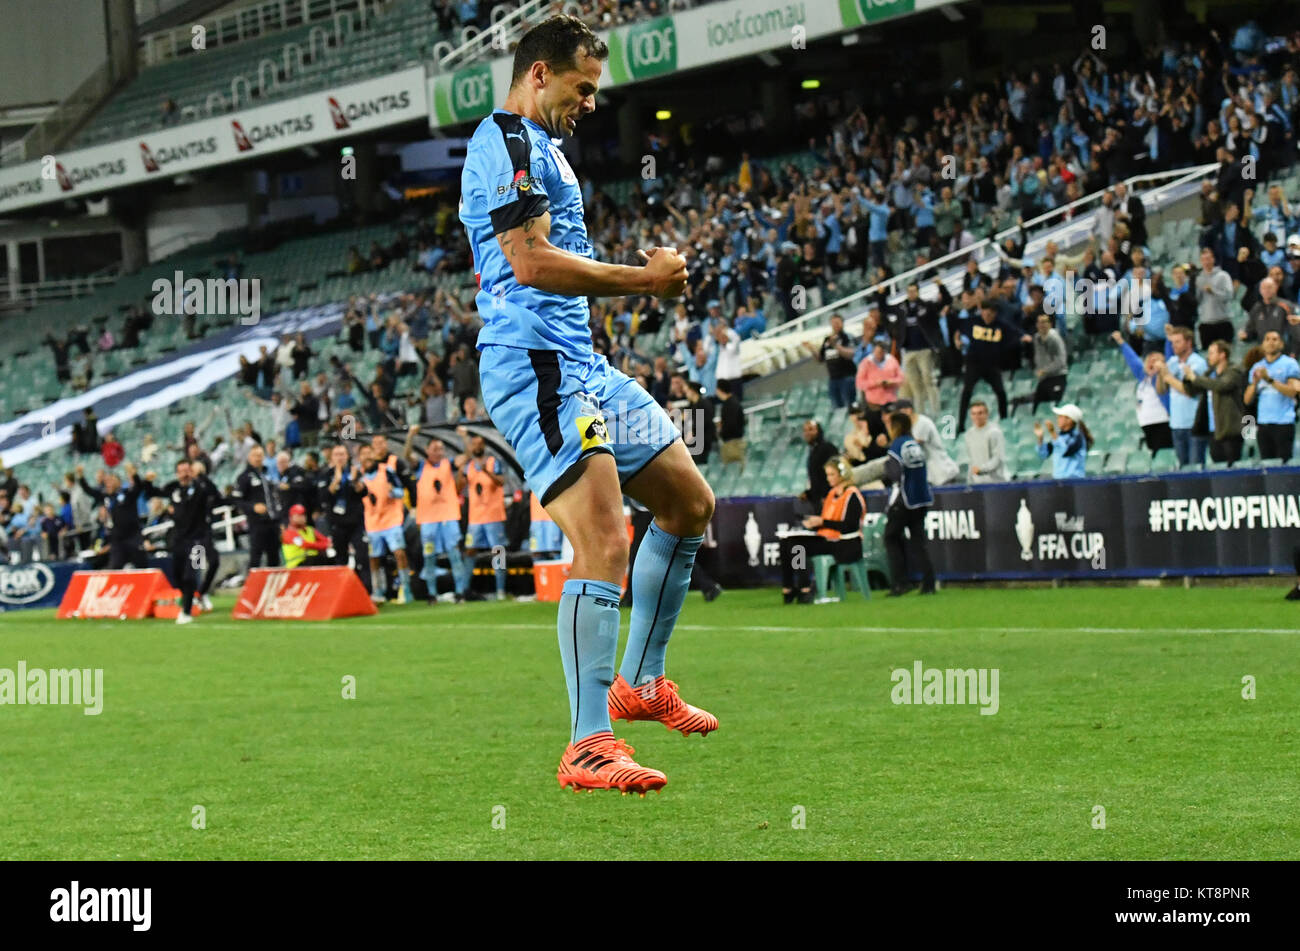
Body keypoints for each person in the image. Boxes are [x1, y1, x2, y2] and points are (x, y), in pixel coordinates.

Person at [461, 15, 714, 795]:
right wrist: (644, 281)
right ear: (539, 73)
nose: (592, 103)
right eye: (582, 87)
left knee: (687, 501)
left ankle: (638, 680)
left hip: (584, 366)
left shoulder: (545, 152)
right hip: (534, 366)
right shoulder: (500, 143)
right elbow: (529, 263)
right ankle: (587, 745)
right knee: (604, 538)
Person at [777, 457, 865, 604]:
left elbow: (849, 526)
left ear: (842, 474)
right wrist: (815, 523)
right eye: (827, 475)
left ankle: (804, 587)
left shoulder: (852, 495)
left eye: (832, 474)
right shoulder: (832, 495)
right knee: (787, 542)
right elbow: (828, 522)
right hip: (831, 540)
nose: (828, 478)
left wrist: (822, 522)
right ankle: (788, 587)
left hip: (847, 543)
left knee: (797, 546)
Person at [151, 459, 220, 624]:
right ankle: (191, 598)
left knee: (191, 573)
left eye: (188, 470)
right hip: (179, 539)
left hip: (199, 539)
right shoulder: (173, 488)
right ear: (177, 473)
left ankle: (187, 610)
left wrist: (202, 476)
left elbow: (215, 494)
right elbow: (152, 492)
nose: (185, 473)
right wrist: (147, 481)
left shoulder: (200, 488)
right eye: (181, 470)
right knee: (177, 575)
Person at [406, 427, 471, 603]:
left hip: (448, 516)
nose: (438, 452)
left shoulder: (448, 464)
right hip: (428, 518)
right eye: (435, 449)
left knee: (454, 554)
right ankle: (432, 593)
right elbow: (407, 455)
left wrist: (464, 437)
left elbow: (467, 456)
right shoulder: (420, 466)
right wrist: (411, 436)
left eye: (441, 449)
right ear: (427, 450)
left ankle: (460, 591)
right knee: (429, 557)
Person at [882, 410, 935, 597]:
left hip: (904, 498)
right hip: (921, 498)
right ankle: (929, 583)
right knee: (918, 541)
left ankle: (900, 583)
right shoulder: (914, 444)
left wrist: (886, 471)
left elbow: (895, 475)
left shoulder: (896, 446)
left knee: (891, 537)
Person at [359, 440, 412, 604]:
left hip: (391, 520)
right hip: (373, 522)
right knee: (374, 558)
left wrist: (393, 492)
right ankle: (378, 591)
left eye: (369, 453)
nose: (367, 457)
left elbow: (401, 492)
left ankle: (406, 589)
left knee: (399, 553)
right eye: (363, 455)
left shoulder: (386, 471)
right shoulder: (358, 475)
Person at [1178, 339, 1246, 466]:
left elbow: (1221, 385)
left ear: (1222, 355)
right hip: (1213, 430)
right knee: (1217, 467)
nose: (1208, 356)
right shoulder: (1210, 373)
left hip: (1230, 429)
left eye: (1211, 353)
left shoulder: (1234, 371)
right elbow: (1193, 390)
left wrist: (1196, 378)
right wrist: (1187, 379)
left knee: (1233, 468)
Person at [459, 433, 508, 601]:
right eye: (474, 444)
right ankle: (464, 590)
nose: (476, 447)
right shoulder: (469, 466)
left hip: (493, 515)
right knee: (470, 551)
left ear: (484, 446)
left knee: (498, 551)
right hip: (475, 518)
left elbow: (501, 482)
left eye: (479, 444)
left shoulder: (493, 462)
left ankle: (500, 589)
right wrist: (459, 470)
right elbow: (459, 487)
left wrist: (487, 471)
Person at [318, 443, 372, 593]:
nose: (340, 457)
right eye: (337, 454)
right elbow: (323, 497)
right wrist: (335, 481)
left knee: (362, 556)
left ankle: (367, 593)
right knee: (341, 559)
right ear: (332, 457)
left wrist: (354, 481)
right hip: (337, 524)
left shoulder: (355, 472)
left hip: (356, 522)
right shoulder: (326, 474)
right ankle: (344, 593)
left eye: (342, 454)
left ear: (347, 456)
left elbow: (364, 492)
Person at [77, 462, 150, 569]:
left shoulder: (128, 494)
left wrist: (134, 473)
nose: (108, 484)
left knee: (141, 566)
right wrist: (81, 477)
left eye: (111, 481)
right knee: (115, 567)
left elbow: (138, 487)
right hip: (117, 539)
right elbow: (89, 491)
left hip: (133, 536)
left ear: (119, 482)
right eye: (107, 482)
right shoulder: (106, 497)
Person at [955, 301, 1015, 430]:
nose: (987, 316)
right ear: (981, 311)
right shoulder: (972, 321)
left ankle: (1004, 420)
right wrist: (957, 340)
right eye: (985, 313)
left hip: (991, 365)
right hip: (974, 363)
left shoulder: (1001, 325)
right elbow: (958, 329)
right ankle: (960, 425)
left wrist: (1024, 337)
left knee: (1001, 392)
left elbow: (1015, 333)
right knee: (966, 392)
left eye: (990, 314)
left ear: (994, 314)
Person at [1111, 330, 1172, 454]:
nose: (1151, 363)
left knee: (1165, 454)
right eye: (1149, 360)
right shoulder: (1143, 378)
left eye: (1156, 360)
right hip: (1146, 423)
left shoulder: (1164, 378)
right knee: (1154, 454)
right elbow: (1133, 360)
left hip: (1162, 421)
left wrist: (1169, 340)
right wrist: (1121, 342)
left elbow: (1170, 357)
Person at [1244, 330, 1300, 462]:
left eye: (1275, 339)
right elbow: (1247, 400)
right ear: (1262, 344)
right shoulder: (1257, 367)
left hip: (1283, 422)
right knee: (1267, 465)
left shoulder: (1289, 364)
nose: (1270, 342)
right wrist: (1254, 384)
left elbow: (1293, 391)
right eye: (1267, 339)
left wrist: (1269, 380)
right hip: (1263, 423)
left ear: (1281, 344)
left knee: (1284, 465)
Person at [1159, 325, 1209, 467]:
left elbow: (1190, 391)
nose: (1174, 346)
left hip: (1194, 422)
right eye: (1172, 342)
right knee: (1182, 467)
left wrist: (1168, 378)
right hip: (1176, 423)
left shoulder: (1197, 363)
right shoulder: (1173, 362)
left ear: (1188, 342)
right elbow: (1162, 389)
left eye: (1178, 342)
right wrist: (1160, 373)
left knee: (1195, 467)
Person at [232, 445, 282, 567]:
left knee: (274, 556)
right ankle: (253, 584)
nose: (258, 458)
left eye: (260, 455)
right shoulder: (244, 477)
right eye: (255, 455)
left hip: (273, 521)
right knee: (256, 556)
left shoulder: (267, 473)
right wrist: (253, 507)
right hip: (257, 523)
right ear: (249, 457)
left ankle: (273, 584)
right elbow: (236, 500)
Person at [1035, 403, 1093, 478]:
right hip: (1059, 482)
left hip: (1074, 482)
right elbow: (1043, 455)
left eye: (1060, 417)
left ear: (1069, 420)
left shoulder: (1078, 437)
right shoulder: (1059, 437)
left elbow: (1065, 450)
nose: (1057, 419)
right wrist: (1040, 438)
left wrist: (1052, 432)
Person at [1195, 247, 1236, 348]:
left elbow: (1229, 296)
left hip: (1222, 322)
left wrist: (1213, 291)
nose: (1206, 262)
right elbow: (1197, 300)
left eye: (1208, 259)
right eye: (1204, 259)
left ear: (1213, 259)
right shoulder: (1198, 278)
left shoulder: (1223, 276)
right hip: (1206, 323)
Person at [817, 313, 858, 409]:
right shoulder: (827, 340)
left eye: (837, 323)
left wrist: (836, 345)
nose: (835, 325)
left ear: (842, 323)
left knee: (850, 405)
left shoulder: (847, 337)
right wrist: (811, 349)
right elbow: (821, 358)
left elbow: (851, 354)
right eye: (833, 323)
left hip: (847, 376)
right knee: (836, 406)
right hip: (833, 378)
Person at [855, 333, 903, 409]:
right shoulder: (866, 362)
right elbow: (860, 383)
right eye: (877, 352)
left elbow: (901, 379)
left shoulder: (891, 360)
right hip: (873, 402)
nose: (879, 355)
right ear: (873, 351)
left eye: (882, 352)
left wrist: (891, 382)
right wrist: (875, 383)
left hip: (890, 400)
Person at [964, 401, 1007, 483]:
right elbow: (971, 459)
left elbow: (997, 458)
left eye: (980, 413)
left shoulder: (995, 432)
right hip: (977, 483)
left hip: (995, 482)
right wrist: (970, 480)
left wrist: (981, 469)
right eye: (973, 413)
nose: (976, 416)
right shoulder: (969, 434)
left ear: (987, 414)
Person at [799, 419, 839, 508]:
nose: (807, 433)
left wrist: (827, 496)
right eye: (805, 430)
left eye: (811, 429)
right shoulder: (813, 451)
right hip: (819, 501)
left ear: (819, 431)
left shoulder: (828, 448)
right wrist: (809, 493)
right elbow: (817, 478)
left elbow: (834, 474)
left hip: (830, 499)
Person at [716, 379, 745, 470]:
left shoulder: (731, 404)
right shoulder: (731, 402)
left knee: (734, 470)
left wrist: (721, 430)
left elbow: (731, 424)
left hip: (733, 443)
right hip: (731, 441)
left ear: (719, 390)